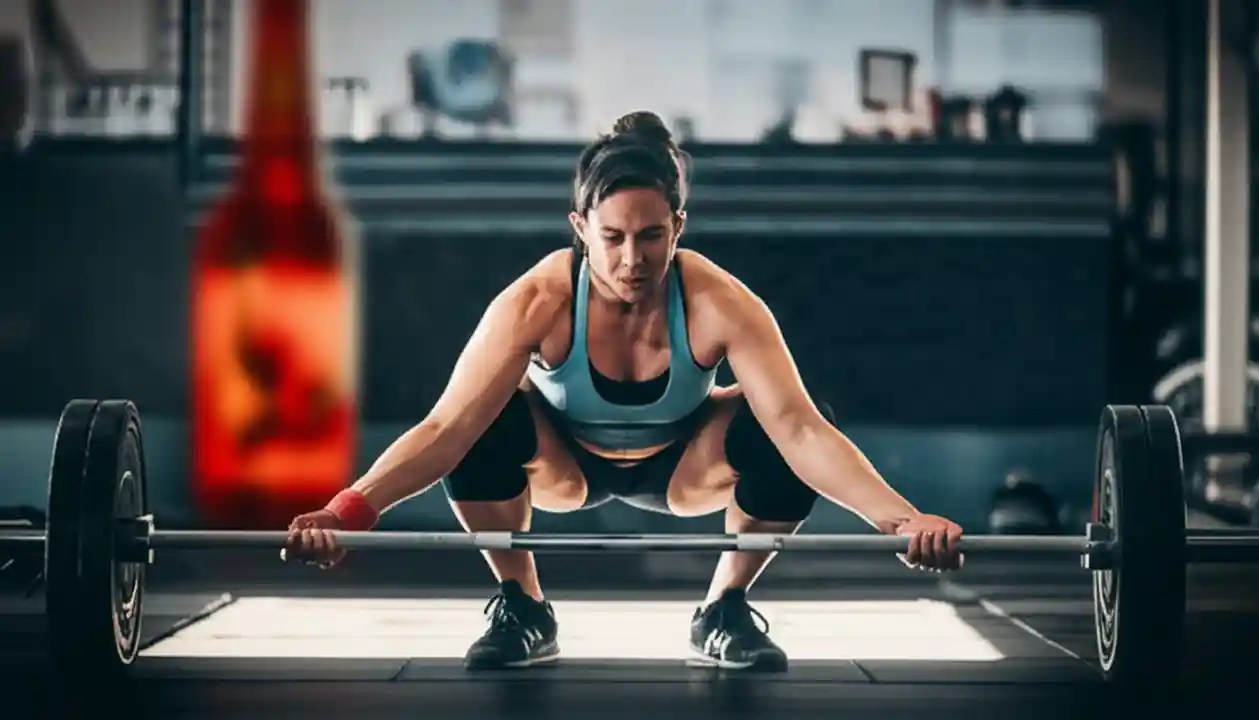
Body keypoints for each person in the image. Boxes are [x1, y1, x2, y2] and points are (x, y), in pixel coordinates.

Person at [282, 110, 964, 671]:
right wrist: (348, 511)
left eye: (651, 236)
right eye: (611, 237)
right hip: (562, 466)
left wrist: (904, 521)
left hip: (685, 469)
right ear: (580, 229)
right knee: (483, 419)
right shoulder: (541, 298)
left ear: (680, 227)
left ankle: (723, 610)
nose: (632, 259)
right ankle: (523, 605)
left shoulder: (720, 302)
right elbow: (445, 429)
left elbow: (802, 430)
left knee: (782, 422)